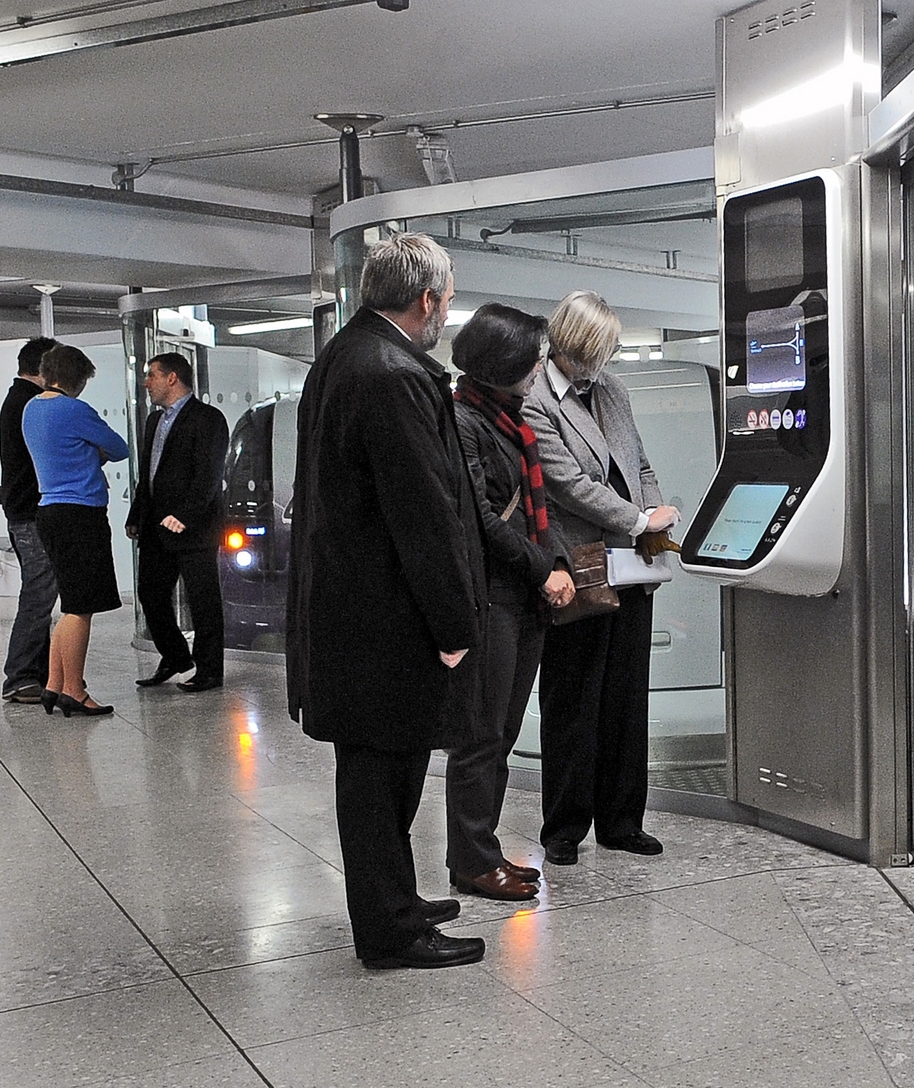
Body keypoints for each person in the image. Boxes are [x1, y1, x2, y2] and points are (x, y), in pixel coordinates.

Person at [287, 232, 487, 969]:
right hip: (384, 617)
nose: (448, 311)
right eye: (448, 299)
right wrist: (455, 622)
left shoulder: (348, 356)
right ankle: (391, 928)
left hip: (355, 608)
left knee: (385, 769)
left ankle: (395, 899)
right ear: (426, 300)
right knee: (379, 778)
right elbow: (423, 513)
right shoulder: (391, 373)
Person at [522, 290, 677, 866]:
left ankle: (622, 821)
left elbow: (639, 464)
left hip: (632, 564)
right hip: (579, 565)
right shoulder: (535, 399)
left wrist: (655, 514)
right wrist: (638, 519)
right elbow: (568, 485)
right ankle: (564, 828)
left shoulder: (612, 389)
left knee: (625, 698)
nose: (603, 364)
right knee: (572, 698)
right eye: (597, 353)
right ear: (571, 346)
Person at [444, 303, 576, 901]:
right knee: (481, 734)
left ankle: (483, 851)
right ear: (501, 363)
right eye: (531, 359)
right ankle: (471, 860)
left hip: (522, 595)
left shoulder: (508, 418)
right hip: (492, 596)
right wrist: (544, 567)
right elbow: (480, 518)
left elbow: (532, 508)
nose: (539, 368)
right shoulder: (463, 421)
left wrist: (554, 562)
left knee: (503, 730)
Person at [22, 344, 129, 716]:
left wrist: (84, 452)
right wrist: (93, 453)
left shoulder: (31, 408)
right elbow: (119, 448)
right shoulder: (74, 409)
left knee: (68, 603)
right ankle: (74, 689)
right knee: (80, 608)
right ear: (77, 378)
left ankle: (54, 684)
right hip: (80, 514)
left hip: (49, 511)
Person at [126, 352, 229, 693]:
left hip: (195, 528)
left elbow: (209, 475)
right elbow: (148, 474)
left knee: (203, 602)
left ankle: (209, 670)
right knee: (150, 594)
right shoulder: (154, 421)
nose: (146, 383)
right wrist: (136, 515)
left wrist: (185, 516)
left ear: (172, 378)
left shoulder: (208, 418)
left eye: (151, 375)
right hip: (156, 526)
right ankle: (175, 656)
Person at [0, 337, 60, 702]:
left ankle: (38, 672)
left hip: (22, 510)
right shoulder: (30, 403)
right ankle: (20, 676)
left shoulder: (18, 399)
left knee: (39, 591)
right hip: (30, 513)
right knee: (39, 594)